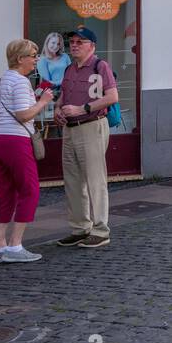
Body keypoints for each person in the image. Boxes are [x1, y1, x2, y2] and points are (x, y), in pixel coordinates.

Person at [0, 39, 53, 263]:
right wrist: (43, 101)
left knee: (5, 192)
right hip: (15, 140)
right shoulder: (20, 81)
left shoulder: (3, 79)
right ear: (19, 59)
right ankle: (15, 246)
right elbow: (23, 115)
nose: (36, 59)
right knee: (30, 190)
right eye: (33, 55)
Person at [53, 28, 118, 249]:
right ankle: (80, 228)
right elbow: (63, 95)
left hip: (91, 126)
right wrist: (58, 109)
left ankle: (101, 230)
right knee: (72, 181)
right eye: (72, 41)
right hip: (70, 129)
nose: (74, 45)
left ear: (92, 45)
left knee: (95, 180)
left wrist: (83, 109)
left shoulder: (100, 67)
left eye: (80, 42)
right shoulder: (70, 69)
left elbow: (112, 97)